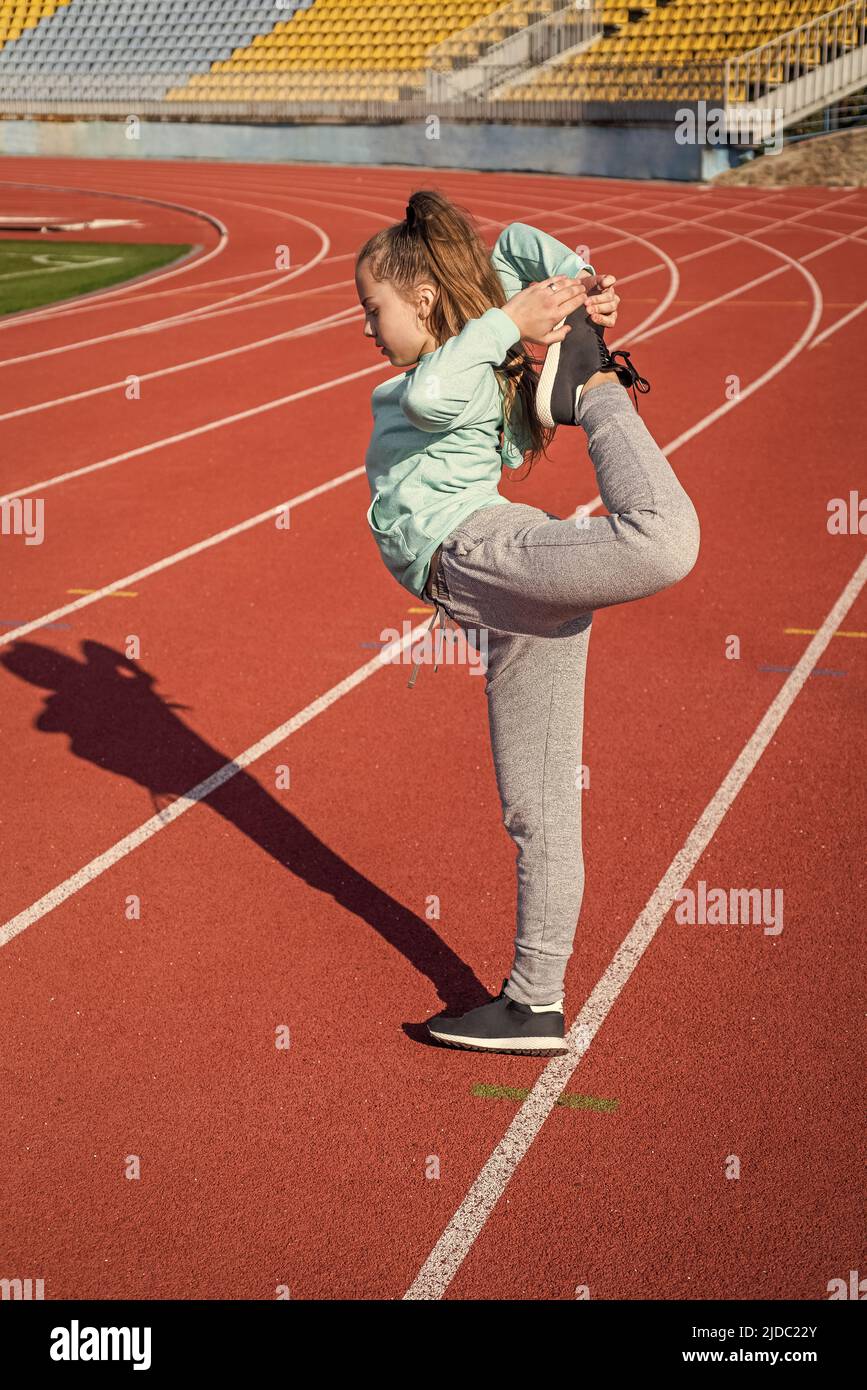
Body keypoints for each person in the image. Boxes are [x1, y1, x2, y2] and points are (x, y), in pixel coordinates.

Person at [355, 189, 700, 1056]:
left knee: (660, 544)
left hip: (483, 552)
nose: (365, 328)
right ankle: (533, 1002)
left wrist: (556, 330)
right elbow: (511, 248)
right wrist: (574, 285)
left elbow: (438, 392)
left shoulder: (442, 374)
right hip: (515, 600)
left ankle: (588, 390)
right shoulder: (461, 365)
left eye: (374, 309)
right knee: (540, 810)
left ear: (424, 300)